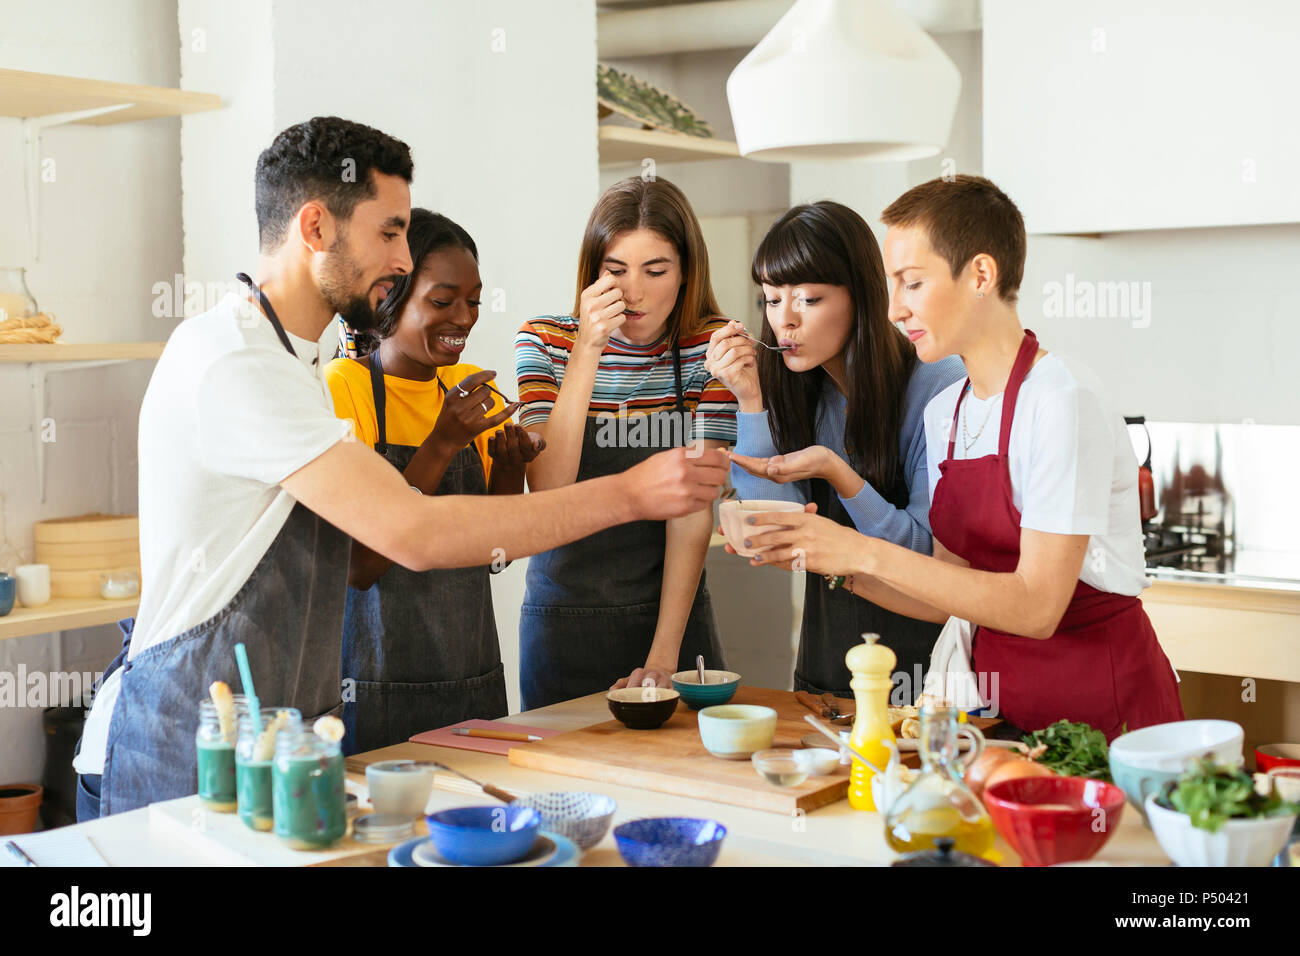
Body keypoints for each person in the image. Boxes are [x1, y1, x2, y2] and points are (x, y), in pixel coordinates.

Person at [73, 117, 728, 818]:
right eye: (389, 232)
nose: (400, 257)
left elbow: (362, 550)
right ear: (317, 227)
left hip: (278, 735)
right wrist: (629, 493)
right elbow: (412, 533)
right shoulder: (237, 362)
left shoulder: (301, 359)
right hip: (181, 739)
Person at [739, 175, 1183, 740]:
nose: (894, 309)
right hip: (993, 713)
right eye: (891, 285)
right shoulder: (949, 409)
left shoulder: (1063, 401)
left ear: (980, 275)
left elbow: (1036, 608)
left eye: (912, 284)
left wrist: (860, 551)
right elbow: (948, 586)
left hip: (1098, 709)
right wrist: (828, 564)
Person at [707, 201, 964, 699]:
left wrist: (839, 473)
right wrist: (750, 398)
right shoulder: (802, 389)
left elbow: (926, 559)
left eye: (808, 298)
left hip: (923, 681)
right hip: (824, 672)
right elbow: (775, 529)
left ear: (861, 295)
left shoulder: (937, 386)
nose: (786, 321)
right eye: (772, 299)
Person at [325, 209, 545, 754]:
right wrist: (443, 442)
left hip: (473, 682)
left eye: (473, 300)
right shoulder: (342, 388)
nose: (464, 318)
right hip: (374, 691)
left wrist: (511, 469)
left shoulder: (466, 392)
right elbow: (360, 565)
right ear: (390, 298)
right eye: (442, 301)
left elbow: (493, 558)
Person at [514, 177, 738, 709]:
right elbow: (548, 486)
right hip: (562, 619)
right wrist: (588, 346)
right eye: (615, 271)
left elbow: (692, 510)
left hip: (673, 621)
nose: (633, 292)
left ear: (686, 272)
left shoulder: (716, 346)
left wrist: (663, 659)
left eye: (656, 271)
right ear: (593, 273)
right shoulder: (544, 339)